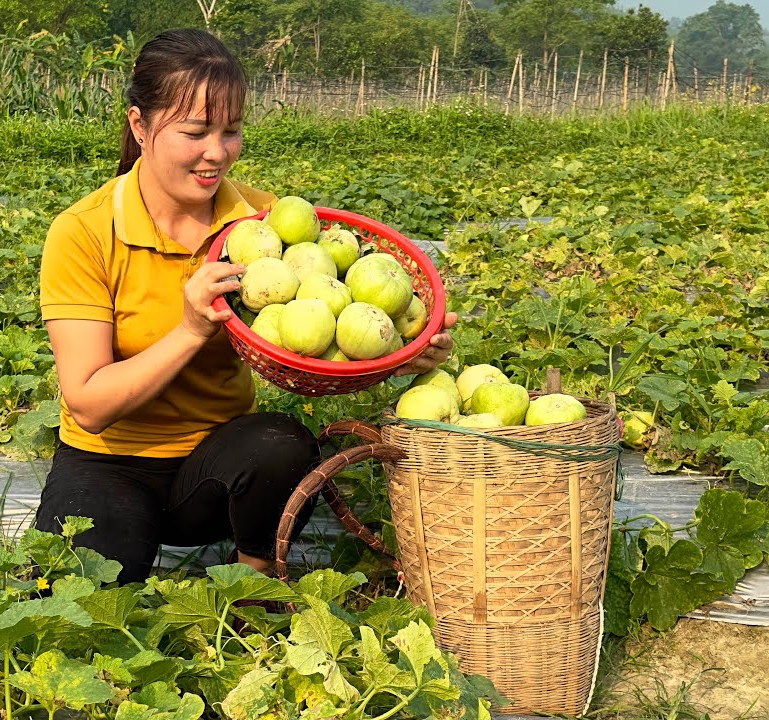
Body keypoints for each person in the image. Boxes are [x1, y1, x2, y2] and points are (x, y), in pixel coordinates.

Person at [33, 28, 457, 586]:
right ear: (139, 126)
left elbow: (307, 346)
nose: (217, 152)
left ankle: (252, 586)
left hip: (215, 464)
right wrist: (189, 329)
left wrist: (395, 354)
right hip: (107, 459)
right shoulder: (85, 232)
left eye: (230, 131)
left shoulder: (265, 225)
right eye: (195, 131)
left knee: (280, 446)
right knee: (83, 594)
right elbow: (88, 404)